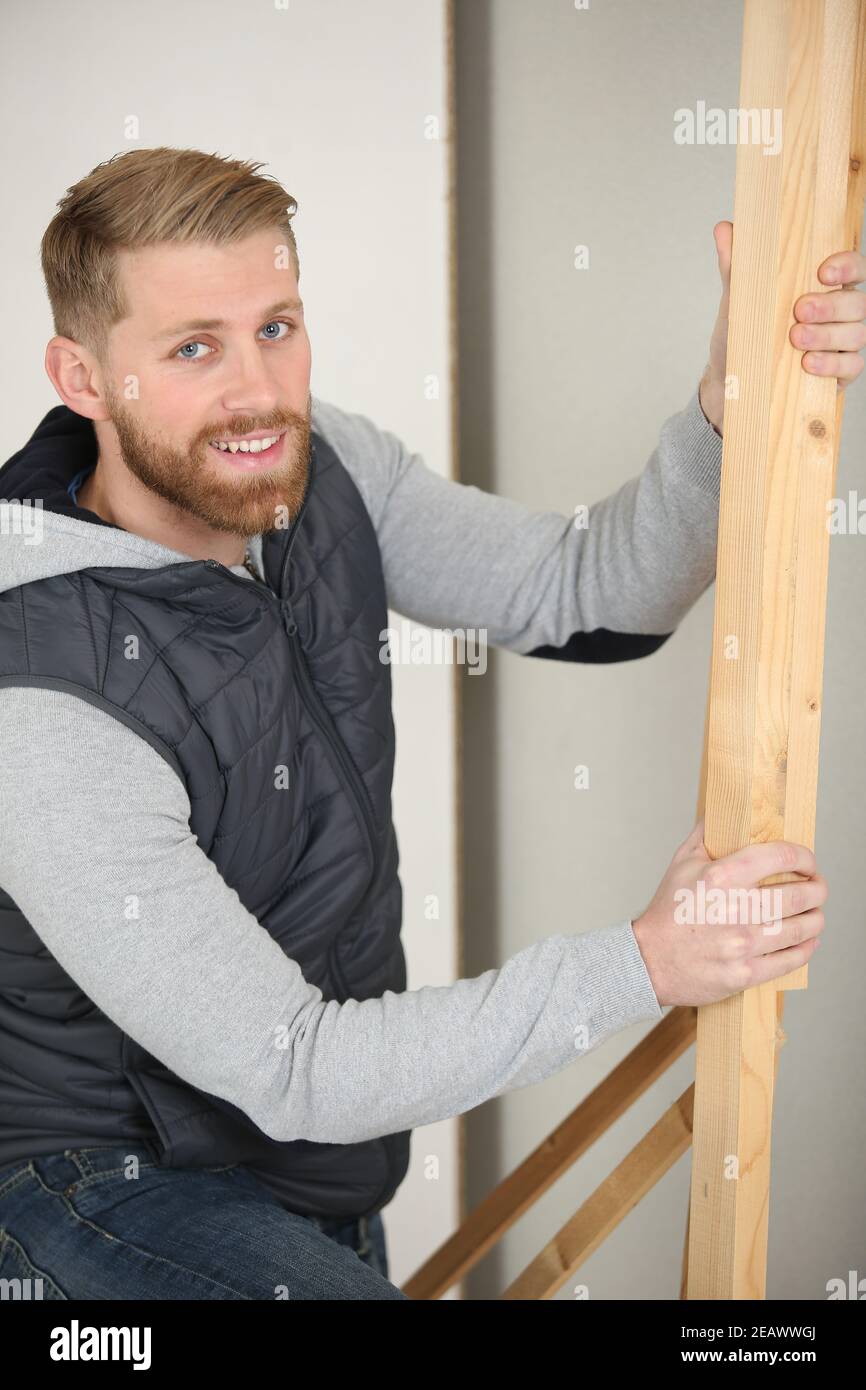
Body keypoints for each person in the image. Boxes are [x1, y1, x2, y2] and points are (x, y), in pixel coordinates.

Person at [0, 147, 862, 1301]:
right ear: (84, 377)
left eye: (277, 326)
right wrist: (645, 961)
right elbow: (290, 1059)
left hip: (308, 1161)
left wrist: (729, 405)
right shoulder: (43, 692)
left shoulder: (323, 470)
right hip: (93, 1190)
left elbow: (582, 594)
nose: (258, 390)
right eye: (193, 347)